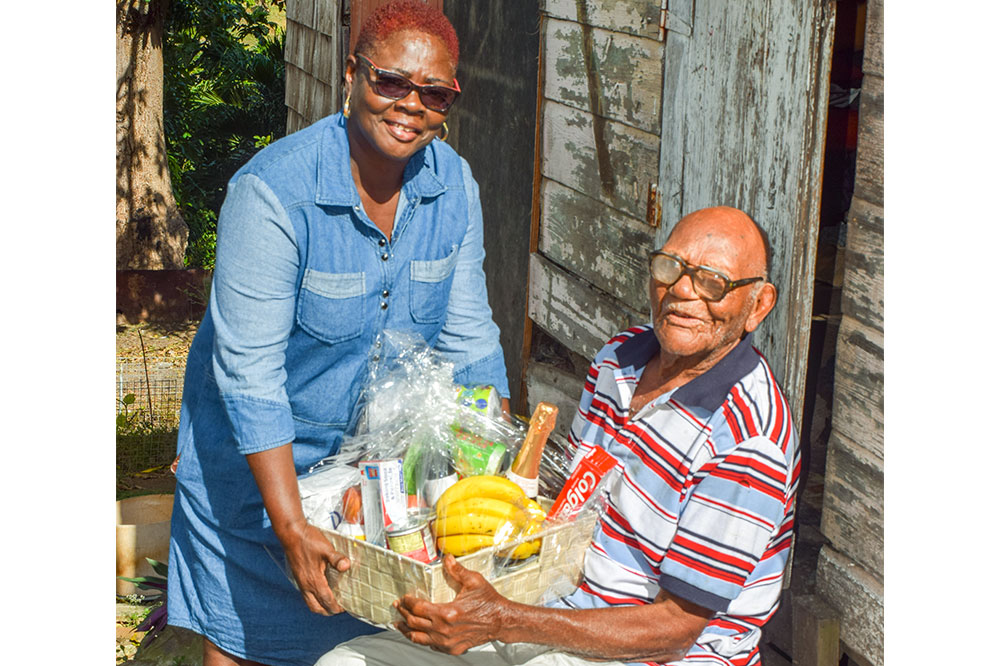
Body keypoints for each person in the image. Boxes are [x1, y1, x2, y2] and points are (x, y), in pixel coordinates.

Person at [166, 2, 511, 665]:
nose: (410, 104)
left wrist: (489, 481)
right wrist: (291, 524)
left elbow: (470, 345)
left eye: (433, 93)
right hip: (254, 468)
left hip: (367, 479)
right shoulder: (271, 194)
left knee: (362, 644)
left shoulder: (454, 188)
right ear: (352, 74)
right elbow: (250, 374)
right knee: (243, 643)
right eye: (390, 82)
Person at [316, 206, 800, 666]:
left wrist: (505, 620)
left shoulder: (749, 436)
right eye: (671, 266)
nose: (683, 291)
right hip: (551, 611)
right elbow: (569, 506)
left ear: (758, 305)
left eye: (713, 282)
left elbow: (676, 627)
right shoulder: (620, 358)